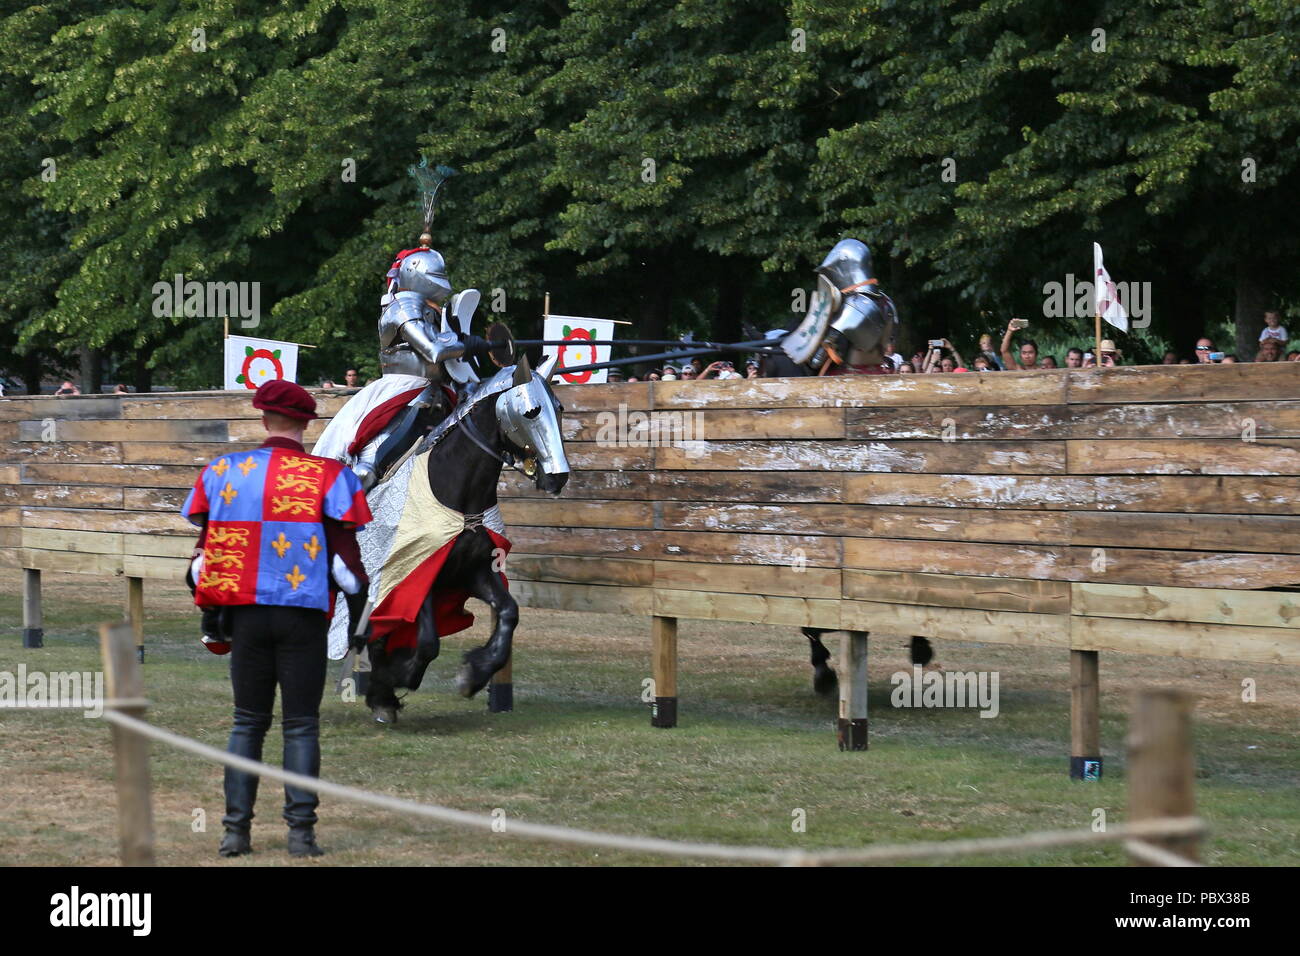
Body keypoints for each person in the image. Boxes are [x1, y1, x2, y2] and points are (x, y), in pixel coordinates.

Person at [182, 380, 373, 859]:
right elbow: (349, 574)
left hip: (243, 617)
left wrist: (212, 618)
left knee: (247, 722)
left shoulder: (222, 472)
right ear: (307, 423)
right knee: (301, 725)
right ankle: (301, 836)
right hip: (302, 618)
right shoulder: (331, 476)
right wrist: (354, 630)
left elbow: (197, 566)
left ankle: (234, 833)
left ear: (262, 417)